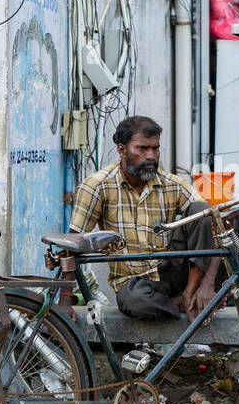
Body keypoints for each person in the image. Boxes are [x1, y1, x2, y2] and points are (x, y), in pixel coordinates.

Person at [69, 115, 220, 321]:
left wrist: (207, 284)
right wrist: (63, 301)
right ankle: (182, 302)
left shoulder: (172, 184)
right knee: (137, 302)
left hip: (174, 272)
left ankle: (191, 293)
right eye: (142, 149)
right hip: (134, 283)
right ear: (122, 150)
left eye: (155, 148)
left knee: (202, 211)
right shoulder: (97, 185)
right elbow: (73, 243)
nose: (151, 156)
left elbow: (215, 225)